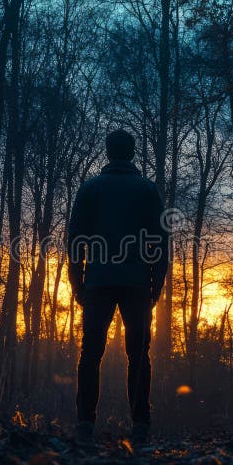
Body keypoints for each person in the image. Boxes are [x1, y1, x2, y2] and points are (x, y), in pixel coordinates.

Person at [67, 129, 168, 443]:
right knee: (139, 354)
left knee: (91, 352)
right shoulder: (147, 190)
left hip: (98, 281)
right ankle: (140, 425)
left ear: (108, 153)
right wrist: (157, 284)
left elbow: (75, 239)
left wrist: (77, 281)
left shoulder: (90, 189)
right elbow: (161, 242)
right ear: (133, 153)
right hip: (137, 282)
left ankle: (85, 423)